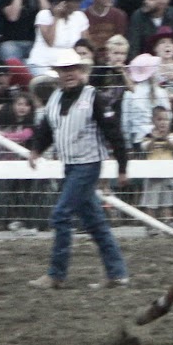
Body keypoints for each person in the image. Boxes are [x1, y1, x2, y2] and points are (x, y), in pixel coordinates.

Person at [26, 53, 132, 288]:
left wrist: (123, 166)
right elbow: (46, 128)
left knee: (61, 214)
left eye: (72, 68)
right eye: (64, 69)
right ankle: (117, 274)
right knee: (94, 222)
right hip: (71, 165)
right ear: (58, 73)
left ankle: (56, 274)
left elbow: (113, 132)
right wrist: (36, 150)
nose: (68, 73)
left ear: (80, 70)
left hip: (88, 164)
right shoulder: (55, 99)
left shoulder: (94, 97)